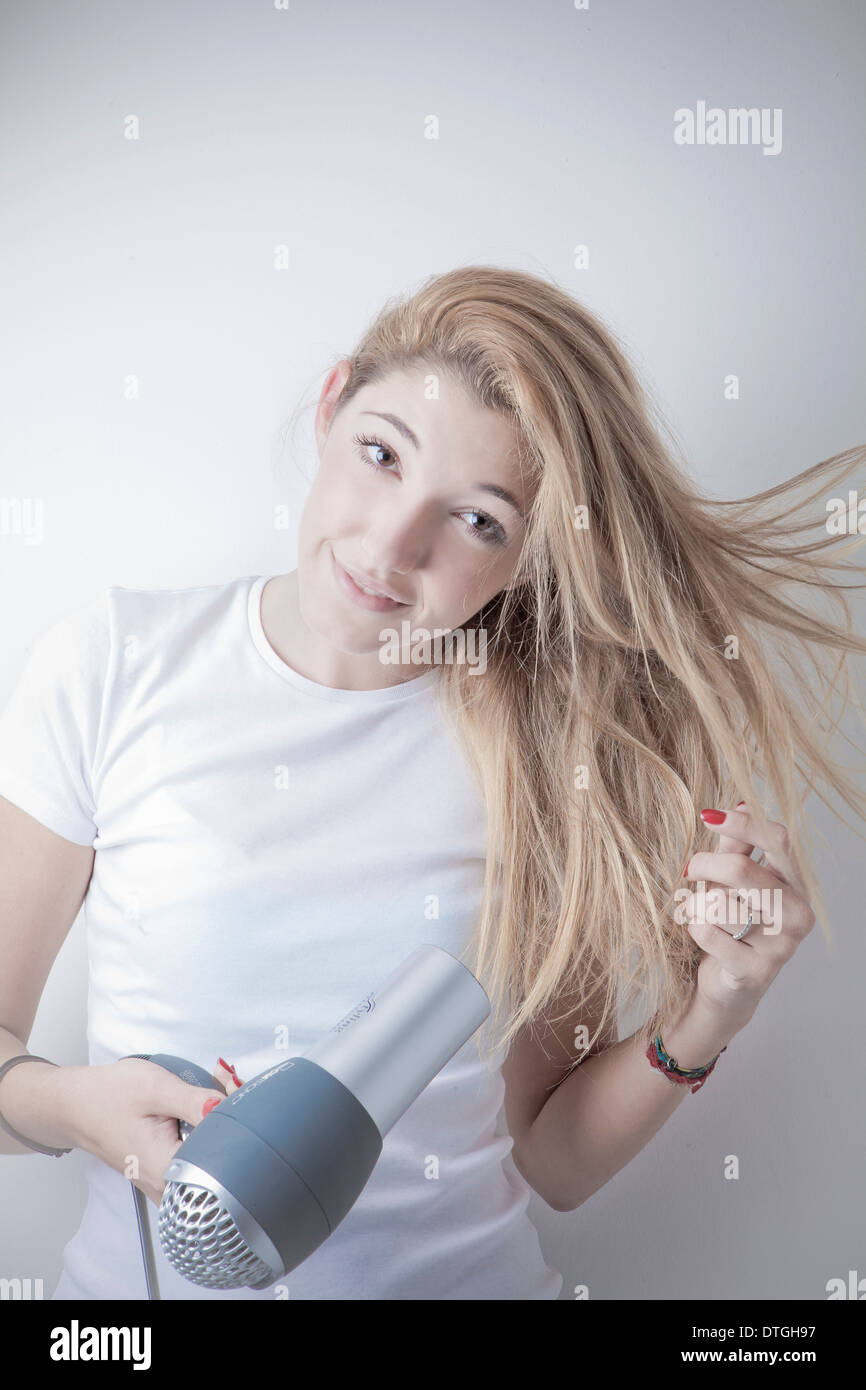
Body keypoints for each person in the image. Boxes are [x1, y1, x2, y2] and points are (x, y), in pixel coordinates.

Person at [0, 265, 863, 1301]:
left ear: (527, 560)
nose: (389, 544)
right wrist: (71, 1109)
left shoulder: (545, 751)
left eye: (478, 520)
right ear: (331, 406)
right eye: (380, 454)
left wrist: (712, 1008)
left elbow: (552, 1157)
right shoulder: (112, 665)